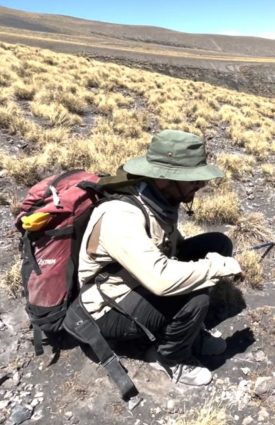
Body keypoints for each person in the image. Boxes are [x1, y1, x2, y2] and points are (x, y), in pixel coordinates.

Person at [75, 129, 243, 387]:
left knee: (218, 243)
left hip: (133, 279)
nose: (201, 185)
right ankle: (170, 357)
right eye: (193, 179)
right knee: (195, 296)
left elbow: (167, 247)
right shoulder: (121, 215)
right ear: (164, 178)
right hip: (106, 305)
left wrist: (205, 259)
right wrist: (216, 267)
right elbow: (161, 281)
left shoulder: (157, 198)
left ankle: (185, 331)